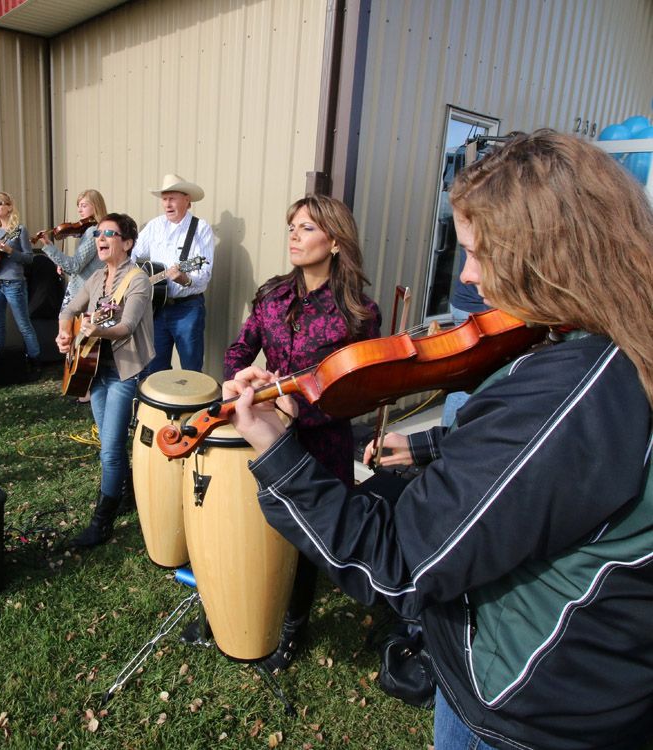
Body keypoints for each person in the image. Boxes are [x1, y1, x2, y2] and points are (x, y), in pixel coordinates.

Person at [224, 130, 653, 750]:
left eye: (479, 252)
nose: (470, 278)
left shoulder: (569, 386)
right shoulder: (621, 348)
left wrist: (275, 450)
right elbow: (546, 472)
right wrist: (429, 448)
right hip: (601, 692)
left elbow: (400, 565)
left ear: (552, 255)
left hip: (518, 703)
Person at [222, 194, 381, 671]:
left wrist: (301, 409)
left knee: (306, 539)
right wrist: (236, 377)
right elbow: (239, 348)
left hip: (322, 440)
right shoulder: (272, 294)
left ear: (334, 241)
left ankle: (295, 626)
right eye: (292, 225)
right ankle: (241, 608)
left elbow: (360, 393)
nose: (294, 234)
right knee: (255, 529)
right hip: (266, 432)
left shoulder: (359, 312)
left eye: (307, 227)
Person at [56, 213, 153, 547]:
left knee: (110, 449)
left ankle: (102, 523)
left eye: (109, 233)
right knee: (109, 442)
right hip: (91, 368)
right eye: (98, 232)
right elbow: (68, 310)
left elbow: (126, 327)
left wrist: (99, 330)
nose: (100, 237)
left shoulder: (138, 280)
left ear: (126, 243)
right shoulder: (96, 278)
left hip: (122, 371)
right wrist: (64, 336)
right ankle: (127, 492)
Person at [132, 174, 214, 373]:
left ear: (187, 200)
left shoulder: (200, 228)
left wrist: (185, 279)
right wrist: (137, 278)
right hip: (155, 310)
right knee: (155, 369)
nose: (167, 204)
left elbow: (204, 273)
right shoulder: (154, 226)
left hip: (187, 309)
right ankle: (160, 405)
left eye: (172, 198)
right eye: (164, 198)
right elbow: (132, 253)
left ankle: (193, 405)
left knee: (191, 369)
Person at [0, 191, 41, 373]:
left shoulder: (19, 230)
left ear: (9, 207)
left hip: (14, 284)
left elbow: (29, 258)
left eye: (0, 203)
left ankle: (36, 361)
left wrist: (9, 251)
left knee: (23, 325)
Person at [440, 249, 489, 427]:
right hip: (476, 308)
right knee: (467, 382)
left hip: (467, 304)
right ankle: (447, 436)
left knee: (465, 378)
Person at [38, 189, 108, 310]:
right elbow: (83, 267)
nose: (79, 210)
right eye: (78, 206)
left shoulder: (92, 232)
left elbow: (75, 266)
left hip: (83, 292)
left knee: (69, 326)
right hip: (92, 289)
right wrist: (64, 266)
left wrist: (48, 245)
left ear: (96, 206)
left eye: (84, 206)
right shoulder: (99, 229)